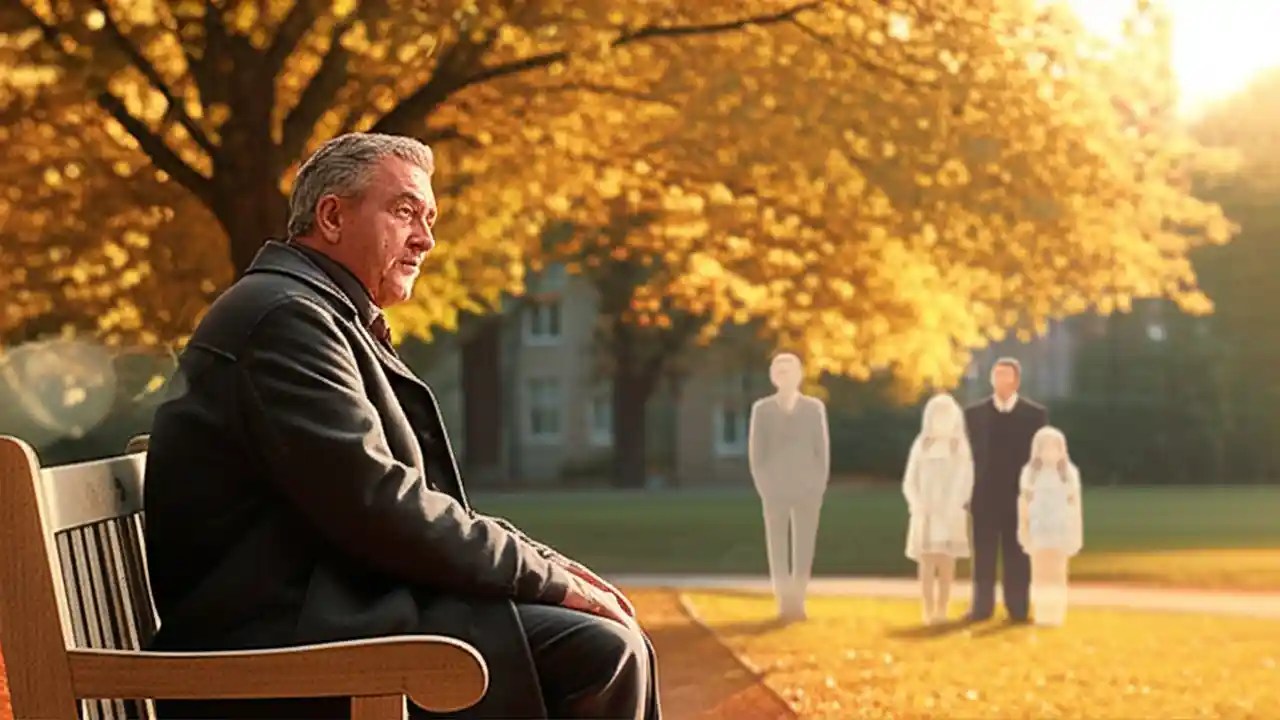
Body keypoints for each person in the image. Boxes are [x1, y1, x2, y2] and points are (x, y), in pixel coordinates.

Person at [142, 132, 661, 719]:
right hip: (277, 651)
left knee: (612, 640)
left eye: (430, 217)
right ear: (332, 216)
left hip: (324, 615)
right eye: (405, 211)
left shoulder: (318, 313)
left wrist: (547, 564)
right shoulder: (285, 320)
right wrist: (547, 580)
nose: (426, 238)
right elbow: (380, 506)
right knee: (602, 650)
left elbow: (396, 500)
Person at [962, 357, 1048, 623]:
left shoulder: (1034, 416)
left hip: (1018, 496)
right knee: (984, 555)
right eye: (996, 376)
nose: (1000, 381)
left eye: (1006, 376)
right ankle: (981, 608)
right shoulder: (973, 415)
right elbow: (969, 457)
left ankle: (1018, 608)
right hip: (984, 496)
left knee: (1018, 555)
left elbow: (1038, 459)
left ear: (1016, 380)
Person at [747, 352, 830, 621]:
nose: (784, 376)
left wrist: (817, 486)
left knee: (804, 546)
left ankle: (799, 600)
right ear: (773, 377)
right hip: (775, 491)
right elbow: (756, 454)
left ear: (799, 376)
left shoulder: (814, 408)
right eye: (779, 371)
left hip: (807, 489)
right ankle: (784, 601)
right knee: (778, 546)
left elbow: (822, 451)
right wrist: (765, 486)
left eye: (789, 371)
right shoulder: (762, 409)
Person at [901, 393, 973, 624]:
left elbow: (965, 479)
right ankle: (927, 608)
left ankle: (942, 608)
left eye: (946, 416)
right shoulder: (922, 446)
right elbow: (910, 479)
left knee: (945, 561)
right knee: (927, 562)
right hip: (926, 513)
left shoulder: (958, 448)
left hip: (949, 513)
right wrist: (917, 504)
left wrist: (952, 505)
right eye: (937, 416)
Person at [1017, 426, 1084, 626]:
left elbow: (1074, 505)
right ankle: (1042, 613)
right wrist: (1024, 530)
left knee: (1057, 573)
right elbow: (1024, 504)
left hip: (1060, 531)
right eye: (1044, 448)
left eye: (1053, 448)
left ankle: (1056, 614)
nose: (1049, 453)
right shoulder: (1029, 474)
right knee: (1040, 574)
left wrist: (1074, 534)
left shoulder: (1069, 475)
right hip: (1039, 530)